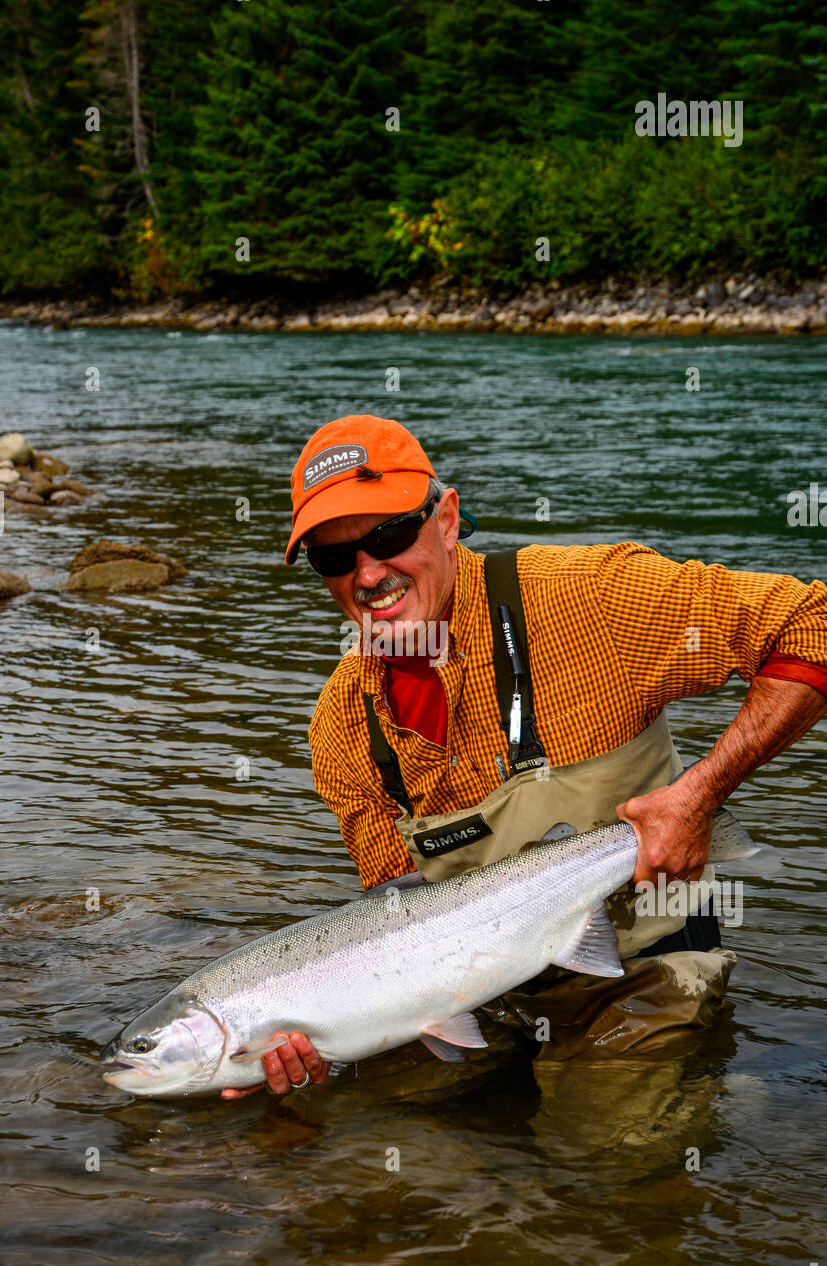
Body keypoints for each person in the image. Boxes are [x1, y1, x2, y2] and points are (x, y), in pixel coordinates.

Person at [223, 414, 827, 1099]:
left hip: (638, 970)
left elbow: (812, 624)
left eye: (389, 536)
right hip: (476, 987)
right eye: (335, 558)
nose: (368, 573)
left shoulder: (587, 598)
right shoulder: (341, 725)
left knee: (598, 1162)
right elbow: (393, 911)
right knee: (369, 1140)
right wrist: (320, 1034)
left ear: (446, 519)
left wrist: (701, 794)